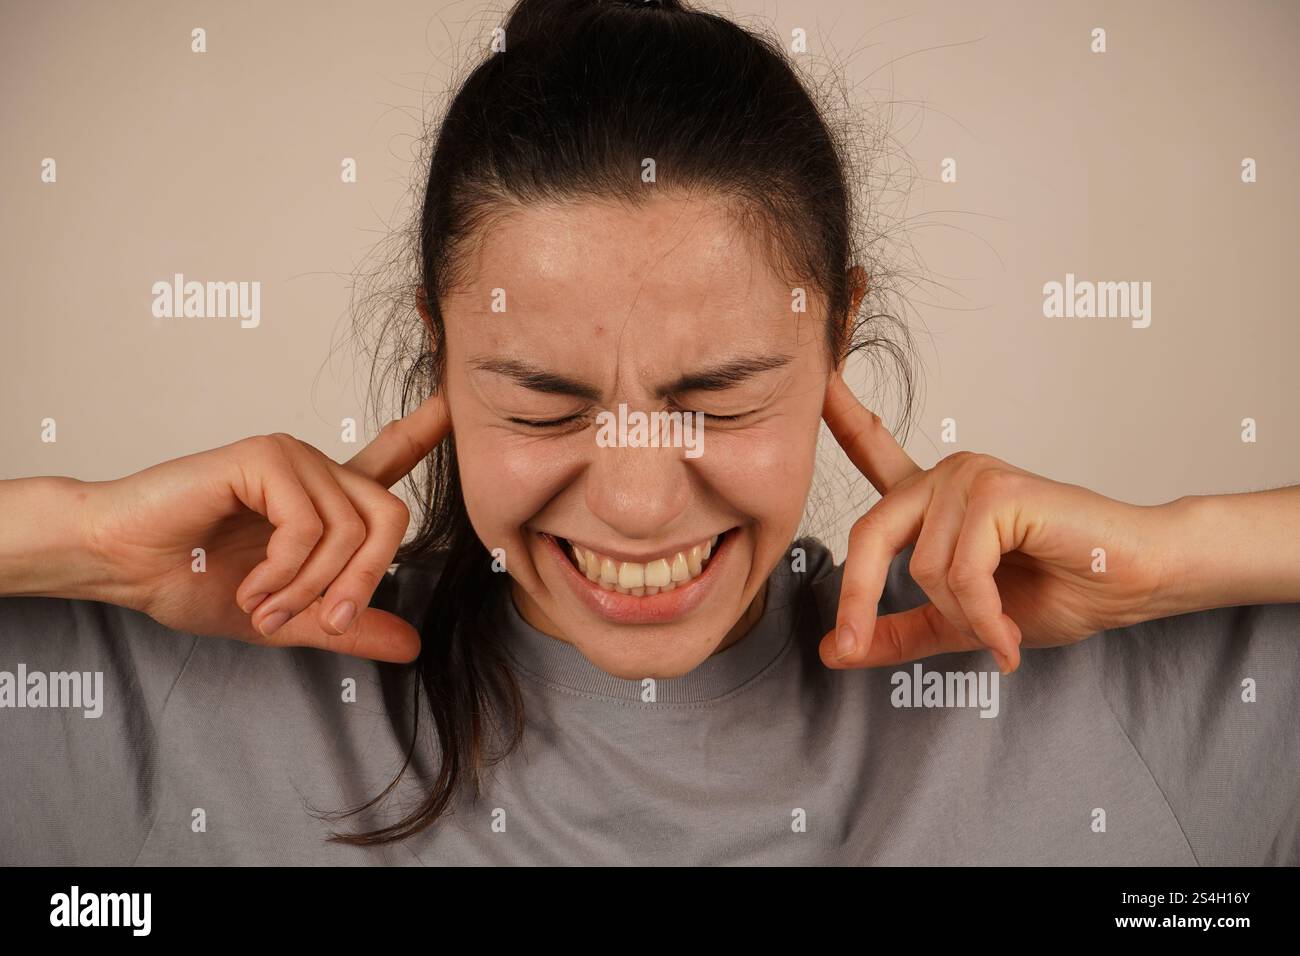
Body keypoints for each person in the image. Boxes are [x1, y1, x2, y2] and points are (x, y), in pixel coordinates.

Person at [1, 0, 1297, 866]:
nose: (632, 501)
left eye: (717, 397)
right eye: (540, 402)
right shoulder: (170, 686)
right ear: (438, 348)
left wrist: (1178, 556)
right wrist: (78, 543)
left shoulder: (1095, 683)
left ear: (836, 337)